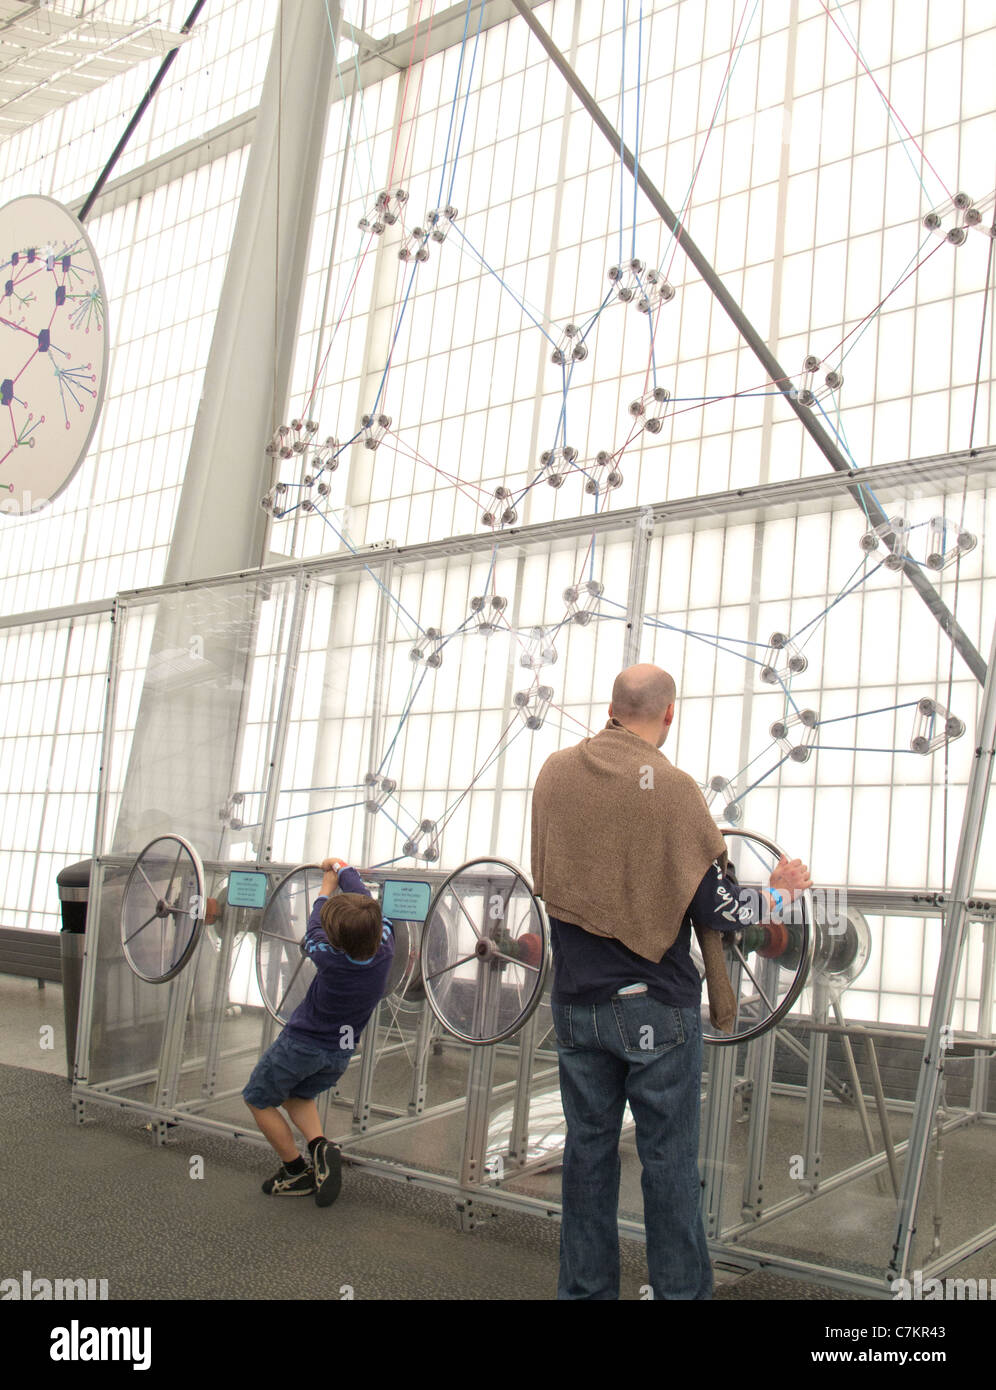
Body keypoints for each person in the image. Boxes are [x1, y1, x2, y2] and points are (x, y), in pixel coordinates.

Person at [530, 664, 811, 1299]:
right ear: (670, 713)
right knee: (668, 1166)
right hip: (654, 1009)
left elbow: (550, 875)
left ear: (609, 704)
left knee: (587, 1158)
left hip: (575, 1004)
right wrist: (778, 893)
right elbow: (720, 911)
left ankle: (585, 1292)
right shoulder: (675, 790)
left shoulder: (554, 773)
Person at [243, 855, 393, 1204]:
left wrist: (326, 885)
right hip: (340, 1052)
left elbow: (313, 925)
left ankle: (295, 1171)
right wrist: (345, 872)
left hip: (302, 1044)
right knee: (299, 1095)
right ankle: (320, 1148)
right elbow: (370, 906)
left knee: (258, 1099)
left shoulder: (325, 953)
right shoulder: (387, 944)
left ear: (333, 937)